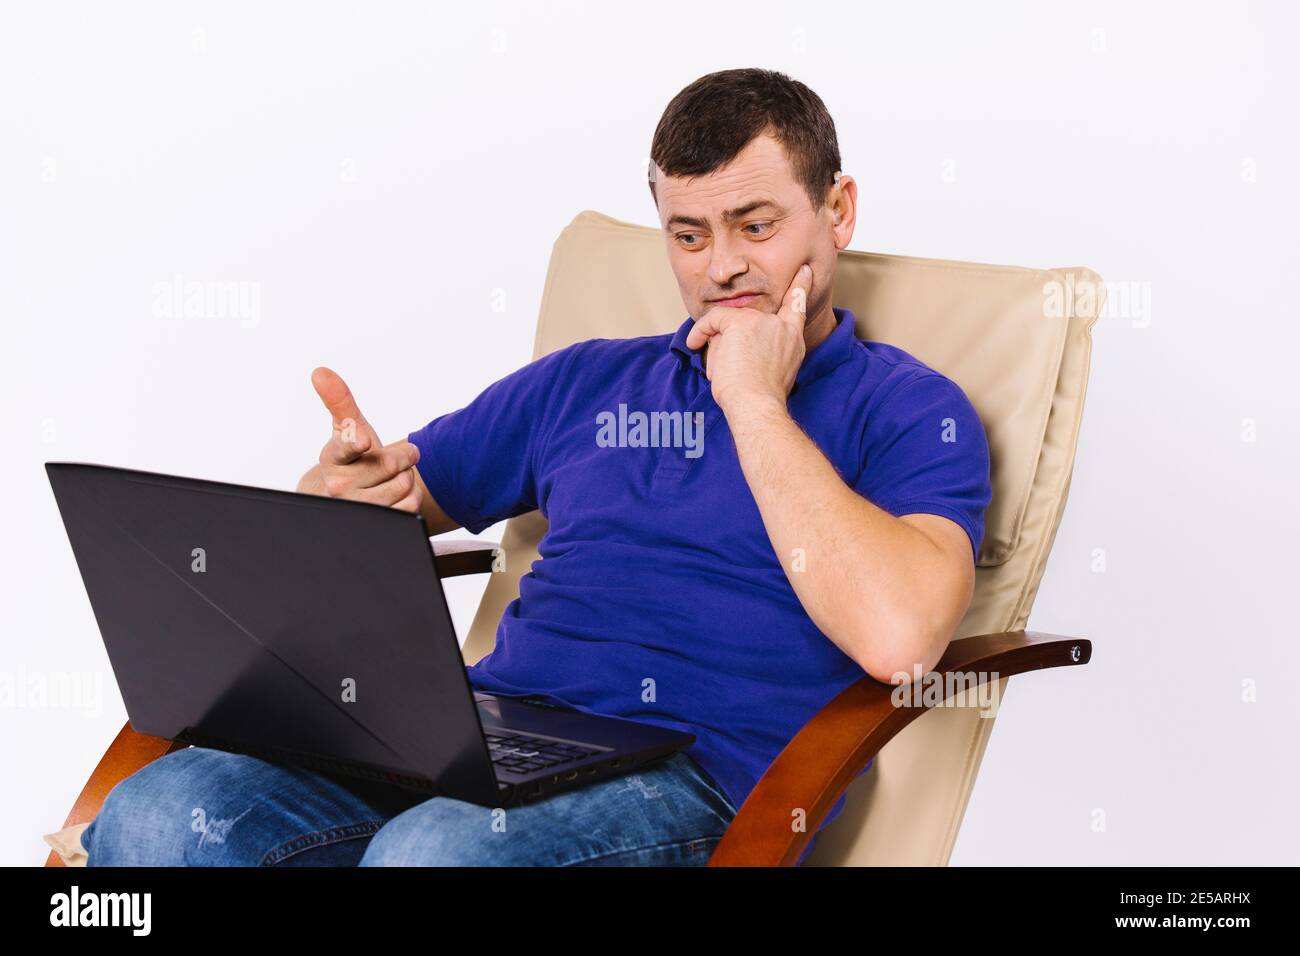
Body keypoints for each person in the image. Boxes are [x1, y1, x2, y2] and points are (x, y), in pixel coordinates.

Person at [82, 67, 991, 867]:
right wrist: (345, 498)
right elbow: (403, 497)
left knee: (434, 856)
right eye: (687, 235)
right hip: (488, 738)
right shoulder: (588, 381)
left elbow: (901, 641)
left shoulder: (912, 411)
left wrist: (752, 399)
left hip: (699, 783)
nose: (721, 268)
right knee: (158, 813)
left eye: (755, 225)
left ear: (837, 210)